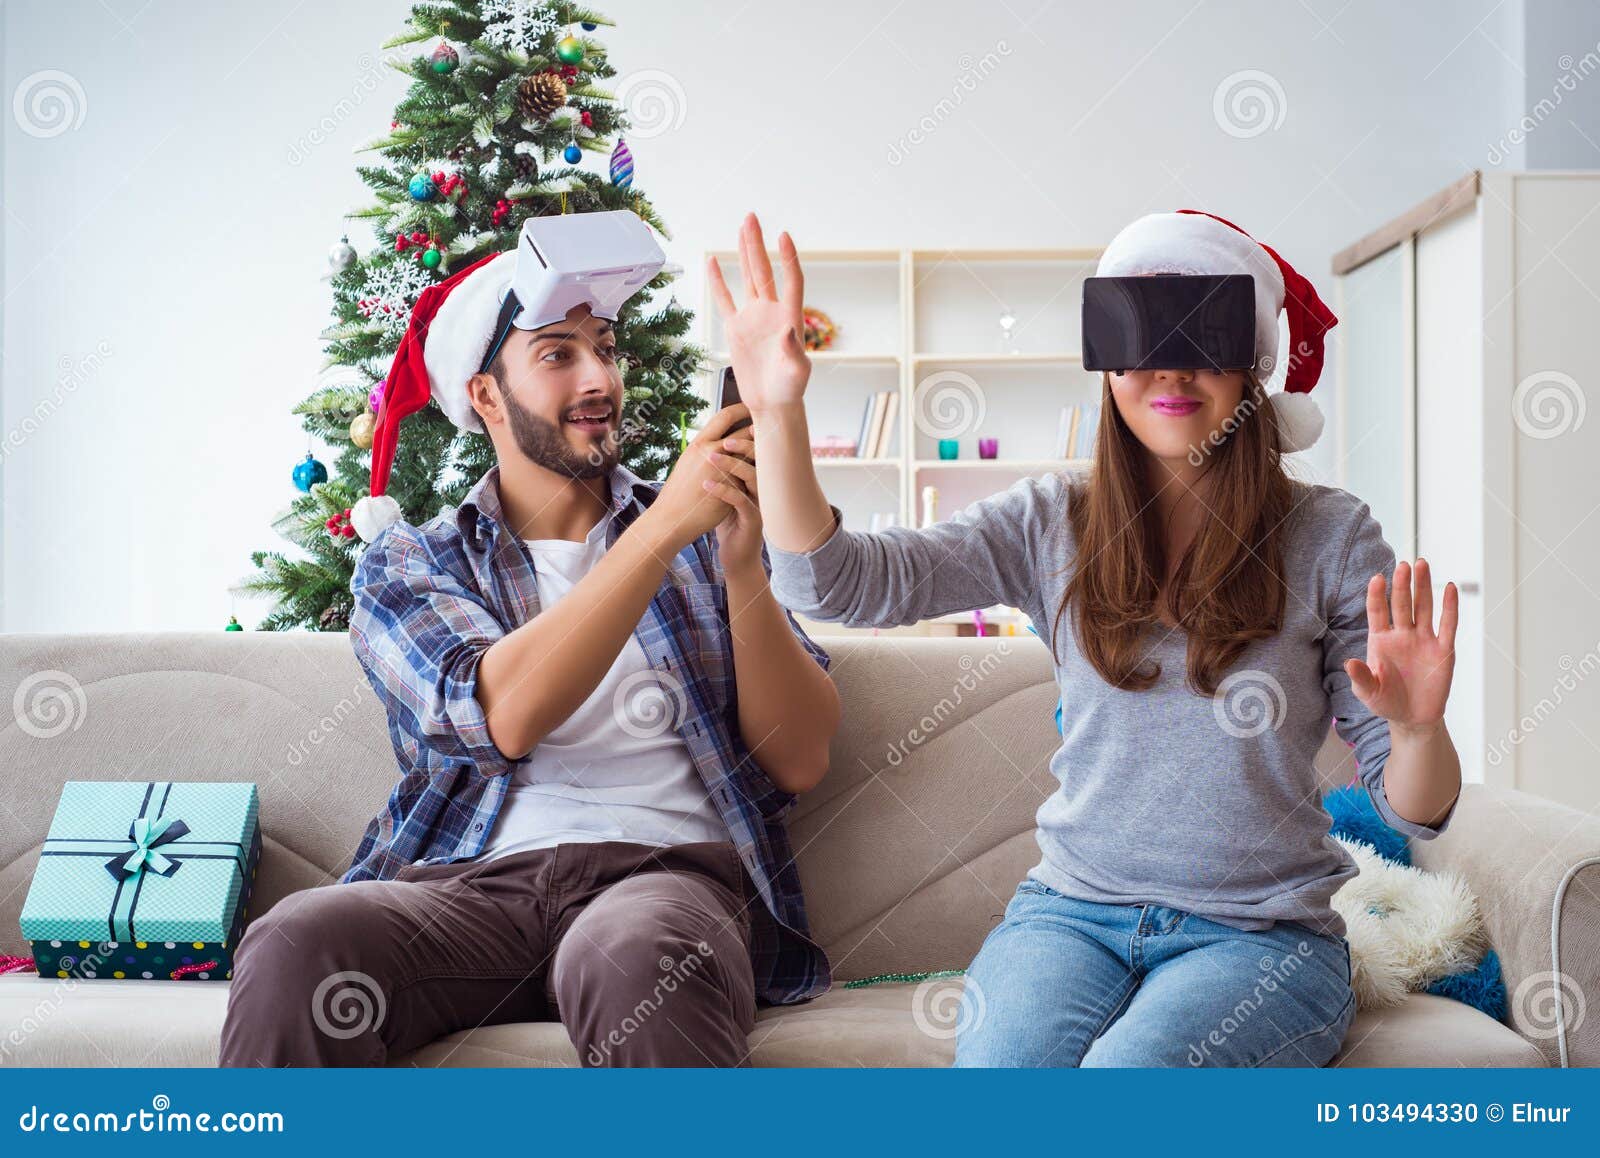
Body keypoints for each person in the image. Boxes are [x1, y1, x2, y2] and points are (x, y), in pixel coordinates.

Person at [713, 210, 1461, 1067]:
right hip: (1071, 915)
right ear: (1105, 360)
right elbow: (836, 583)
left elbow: (1421, 810)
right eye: (1142, 338)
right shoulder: (1050, 520)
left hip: (1261, 936)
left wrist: (1414, 730)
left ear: (1254, 364)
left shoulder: (1330, 534)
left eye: (1205, 340)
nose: (1171, 369)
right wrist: (778, 412)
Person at [221, 212, 839, 1068]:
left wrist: (740, 569)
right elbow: (499, 713)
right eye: (557, 354)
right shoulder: (415, 560)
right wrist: (659, 534)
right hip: (469, 887)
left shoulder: (706, 530)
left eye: (607, 348)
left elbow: (801, 758)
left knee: (636, 955)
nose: (599, 379)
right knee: (297, 943)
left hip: (660, 883)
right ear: (485, 396)